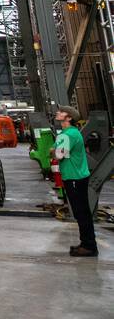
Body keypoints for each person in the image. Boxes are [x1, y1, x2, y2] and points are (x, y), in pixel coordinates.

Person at [53, 105, 97, 256]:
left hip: (75, 178)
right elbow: (56, 151)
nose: (58, 112)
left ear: (69, 117)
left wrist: (53, 151)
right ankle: (86, 243)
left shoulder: (69, 135)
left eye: (61, 112)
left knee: (81, 212)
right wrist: (54, 150)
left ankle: (89, 246)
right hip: (75, 177)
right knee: (81, 211)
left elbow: (58, 155)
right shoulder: (67, 133)